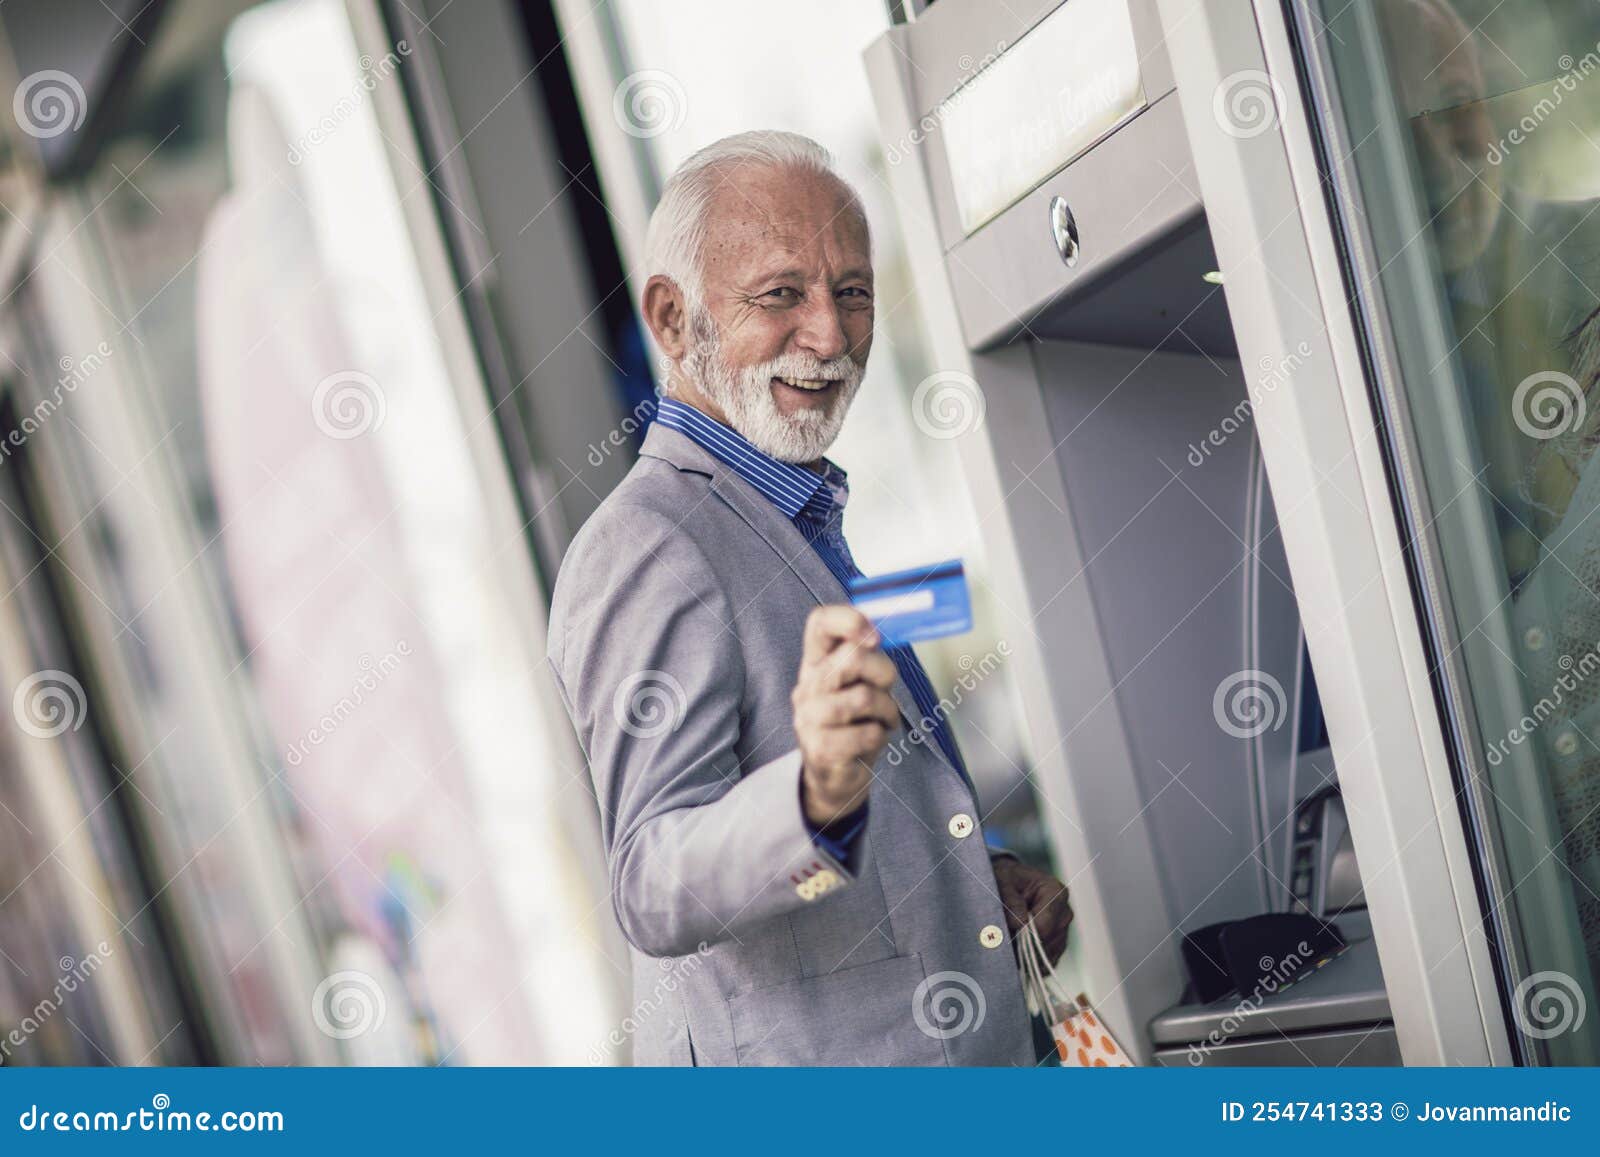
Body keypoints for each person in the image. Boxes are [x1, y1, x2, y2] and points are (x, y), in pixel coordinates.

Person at [546, 131, 1072, 1065]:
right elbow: (651, 881)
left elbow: (877, 813)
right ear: (672, 322)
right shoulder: (643, 546)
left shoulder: (792, 508)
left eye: (854, 291)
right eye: (781, 294)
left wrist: (975, 879)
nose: (830, 336)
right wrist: (812, 794)